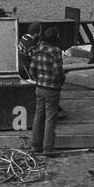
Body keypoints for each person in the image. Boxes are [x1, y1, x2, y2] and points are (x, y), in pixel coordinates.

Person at [29, 26, 66, 154]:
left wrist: (39, 79)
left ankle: (35, 145)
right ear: (55, 38)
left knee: (38, 116)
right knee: (50, 118)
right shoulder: (56, 51)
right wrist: (61, 80)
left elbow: (32, 70)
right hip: (52, 89)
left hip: (39, 87)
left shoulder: (37, 49)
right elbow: (57, 72)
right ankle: (48, 148)